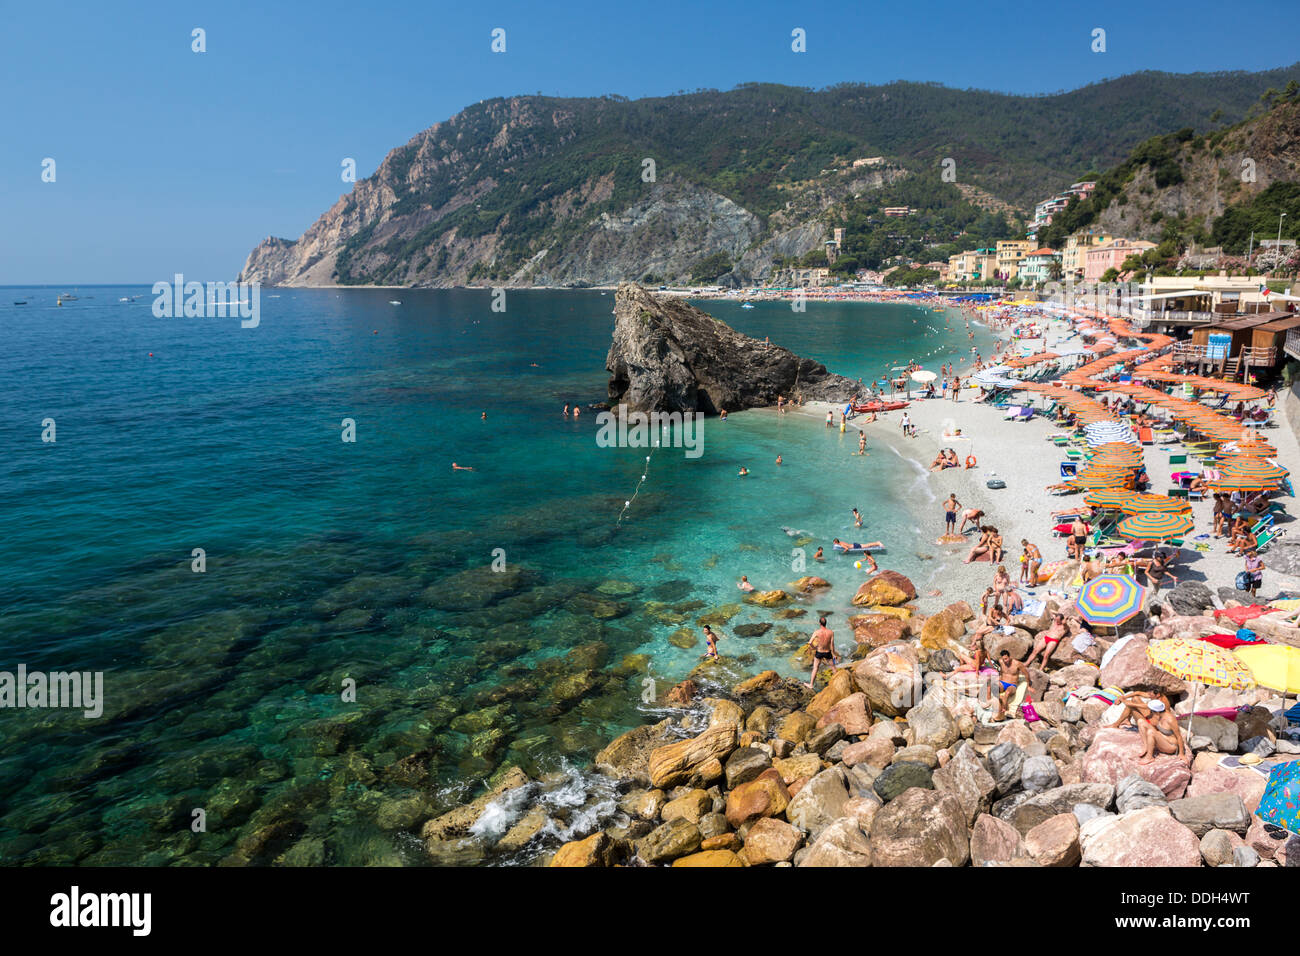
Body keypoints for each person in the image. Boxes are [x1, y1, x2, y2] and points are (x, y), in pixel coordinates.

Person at [1137, 698, 1189, 765]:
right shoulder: (1158, 715)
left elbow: (1179, 736)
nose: (1150, 712)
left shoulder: (1170, 720)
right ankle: (1146, 747)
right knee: (1140, 722)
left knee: (1151, 732)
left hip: (1171, 746)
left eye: (1151, 711)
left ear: (1157, 711)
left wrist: (1181, 754)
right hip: (1163, 739)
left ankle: (1149, 757)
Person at [993, 650, 1030, 721]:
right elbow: (1001, 672)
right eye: (1003, 659)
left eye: (1006, 659)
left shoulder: (1017, 664)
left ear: (1010, 657)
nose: (1005, 661)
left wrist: (1028, 685)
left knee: (1007, 693)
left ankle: (1002, 712)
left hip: (1012, 684)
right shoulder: (1001, 661)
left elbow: (1026, 674)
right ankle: (998, 706)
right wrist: (999, 678)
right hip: (1002, 682)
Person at [805, 616, 838, 688]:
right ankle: (838, 682)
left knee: (815, 668)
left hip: (819, 652)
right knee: (833, 667)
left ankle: (811, 684)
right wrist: (834, 654)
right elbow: (832, 645)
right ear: (826, 623)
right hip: (827, 652)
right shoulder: (831, 632)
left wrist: (814, 648)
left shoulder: (817, 632)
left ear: (819, 623)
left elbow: (810, 642)